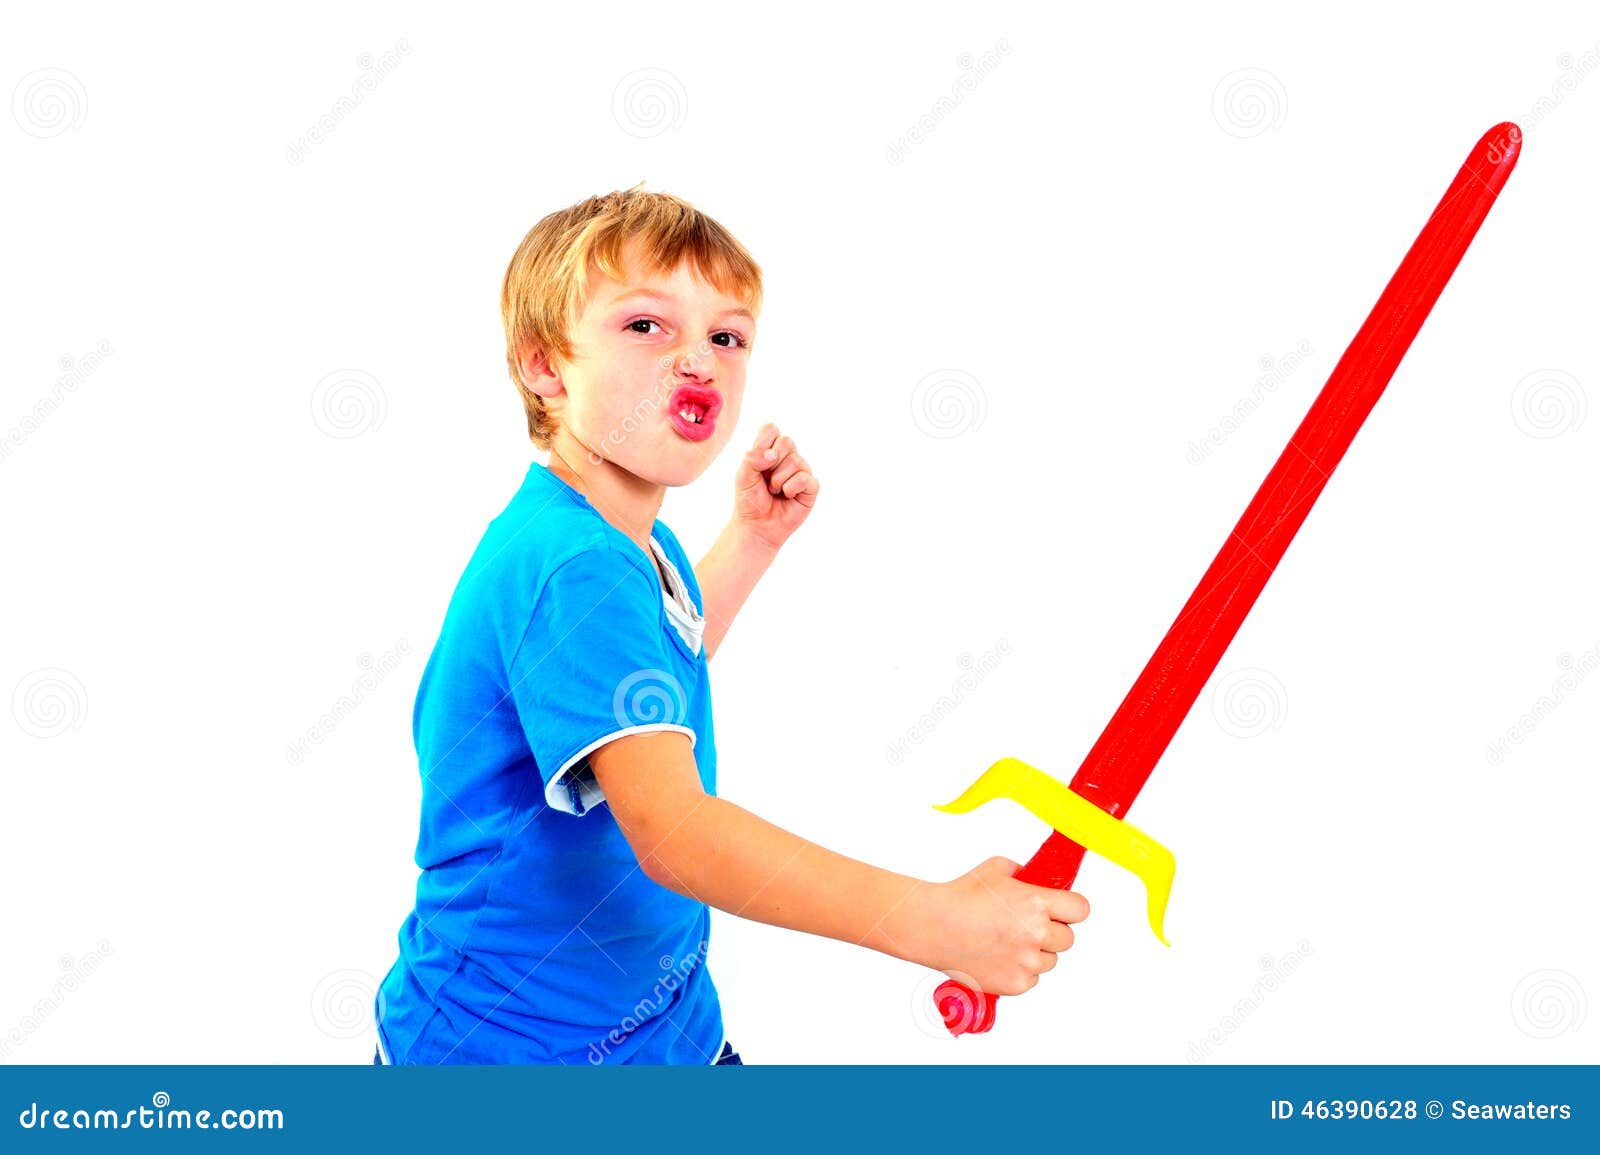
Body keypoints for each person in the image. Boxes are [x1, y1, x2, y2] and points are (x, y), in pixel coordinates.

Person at [372, 184, 1089, 1065]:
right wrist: (936, 922)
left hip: (661, 1039)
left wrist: (750, 542)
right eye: (647, 326)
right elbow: (675, 832)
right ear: (546, 369)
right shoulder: (577, 566)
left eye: (727, 336)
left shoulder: (623, 537)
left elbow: (639, 677)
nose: (698, 360)